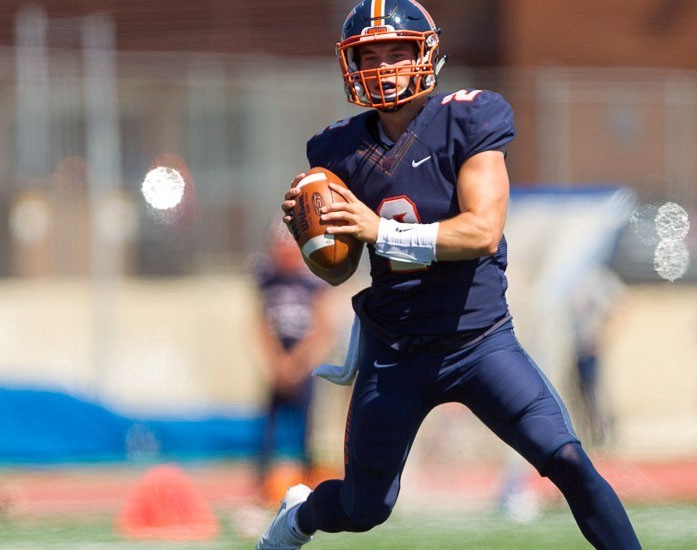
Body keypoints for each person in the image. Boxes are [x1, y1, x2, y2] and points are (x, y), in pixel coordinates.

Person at [257, 1, 641, 548]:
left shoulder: (469, 117)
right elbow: (338, 273)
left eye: (397, 52)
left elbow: (482, 232)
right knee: (365, 507)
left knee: (569, 461)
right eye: (371, 55)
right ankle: (299, 516)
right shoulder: (336, 149)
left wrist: (376, 230)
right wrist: (314, 239)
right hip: (395, 352)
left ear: (426, 53)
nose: (385, 67)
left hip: (478, 342)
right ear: (351, 64)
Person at [252, 221, 337, 502]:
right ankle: (263, 483)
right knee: (268, 427)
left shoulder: (312, 280)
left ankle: (307, 478)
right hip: (278, 363)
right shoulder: (267, 279)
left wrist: (297, 364)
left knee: (307, 428)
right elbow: (260, 323)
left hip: (304, 365)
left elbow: (323, 327)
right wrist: (277, 362)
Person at [568, 265, 626, 448]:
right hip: (573, 348)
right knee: (579, 394)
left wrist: (603, 336)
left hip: (590, 347)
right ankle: (588, 432)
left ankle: (605, 433)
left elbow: (616, 308)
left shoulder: (597, 278)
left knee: (596, 393)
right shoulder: (569, 277)